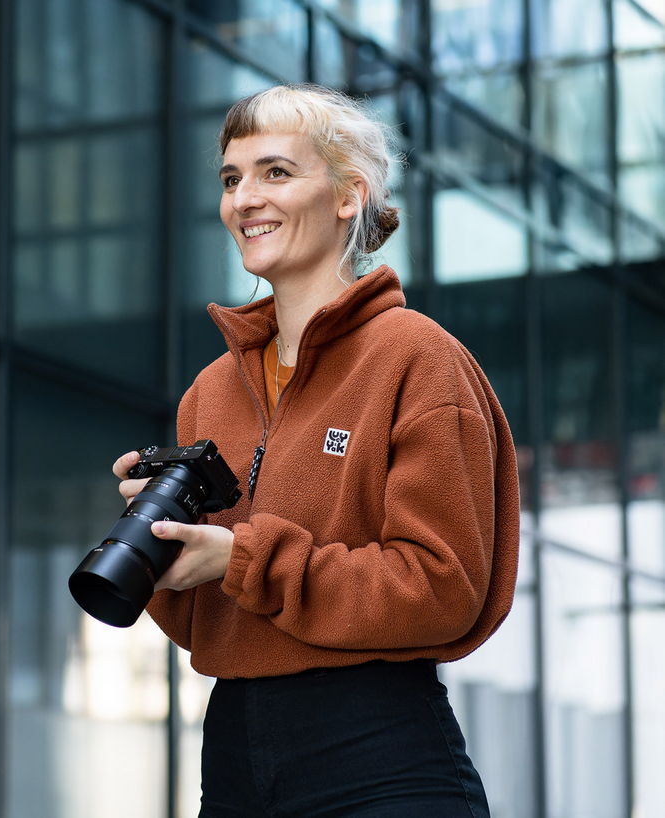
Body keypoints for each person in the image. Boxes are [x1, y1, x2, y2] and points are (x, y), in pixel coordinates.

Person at [114, 84, 520, 817]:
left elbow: (443, 585)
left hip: (379, 753)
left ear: (347, 196)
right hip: (233, 750)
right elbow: (207, 622)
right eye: (232, 179)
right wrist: (162, 553)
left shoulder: (417, 358)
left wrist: (241, 558)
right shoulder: (211, 391)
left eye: (275, 172)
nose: (244, 199)